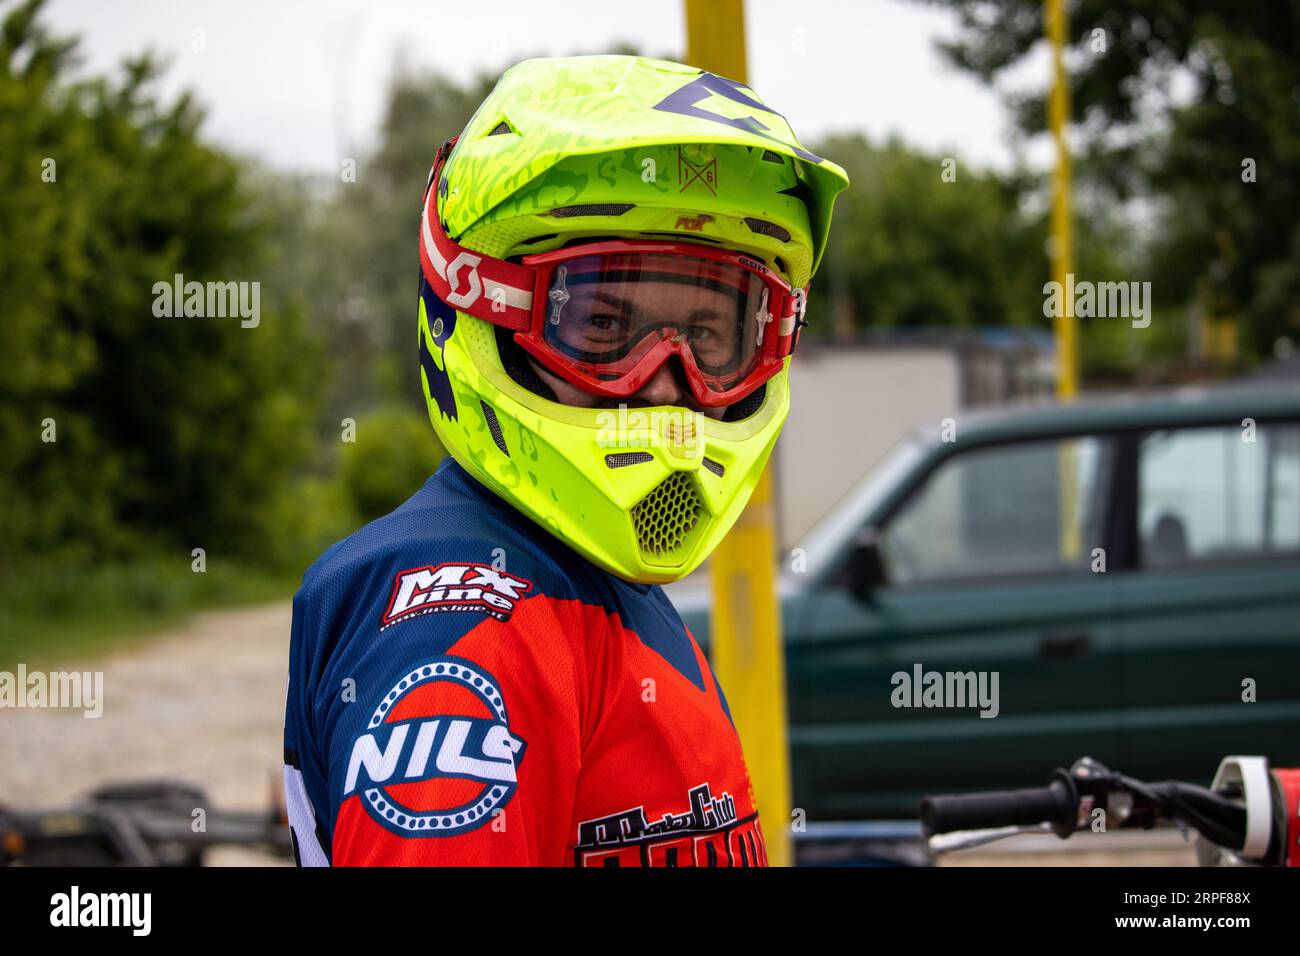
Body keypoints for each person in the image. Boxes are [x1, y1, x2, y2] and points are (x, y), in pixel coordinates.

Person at [282, 54, 848, 866]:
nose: (664, 388)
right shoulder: (469, 624)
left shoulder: (581, 575)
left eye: (710, 337)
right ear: (487, 307)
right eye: (604, 327)